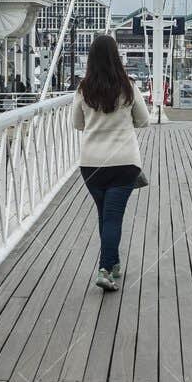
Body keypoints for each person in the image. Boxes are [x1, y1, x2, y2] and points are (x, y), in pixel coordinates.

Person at [71, 34, 150, 291]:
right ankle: (105, 270)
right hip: (124, 162)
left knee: (105, 216)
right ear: (117, 56)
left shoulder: (84, 89)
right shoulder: (128, 86)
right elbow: (144, 120)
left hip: (92, 164)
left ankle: (113, 263)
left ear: (91, 58)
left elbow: (77, 124)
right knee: (113, 218)